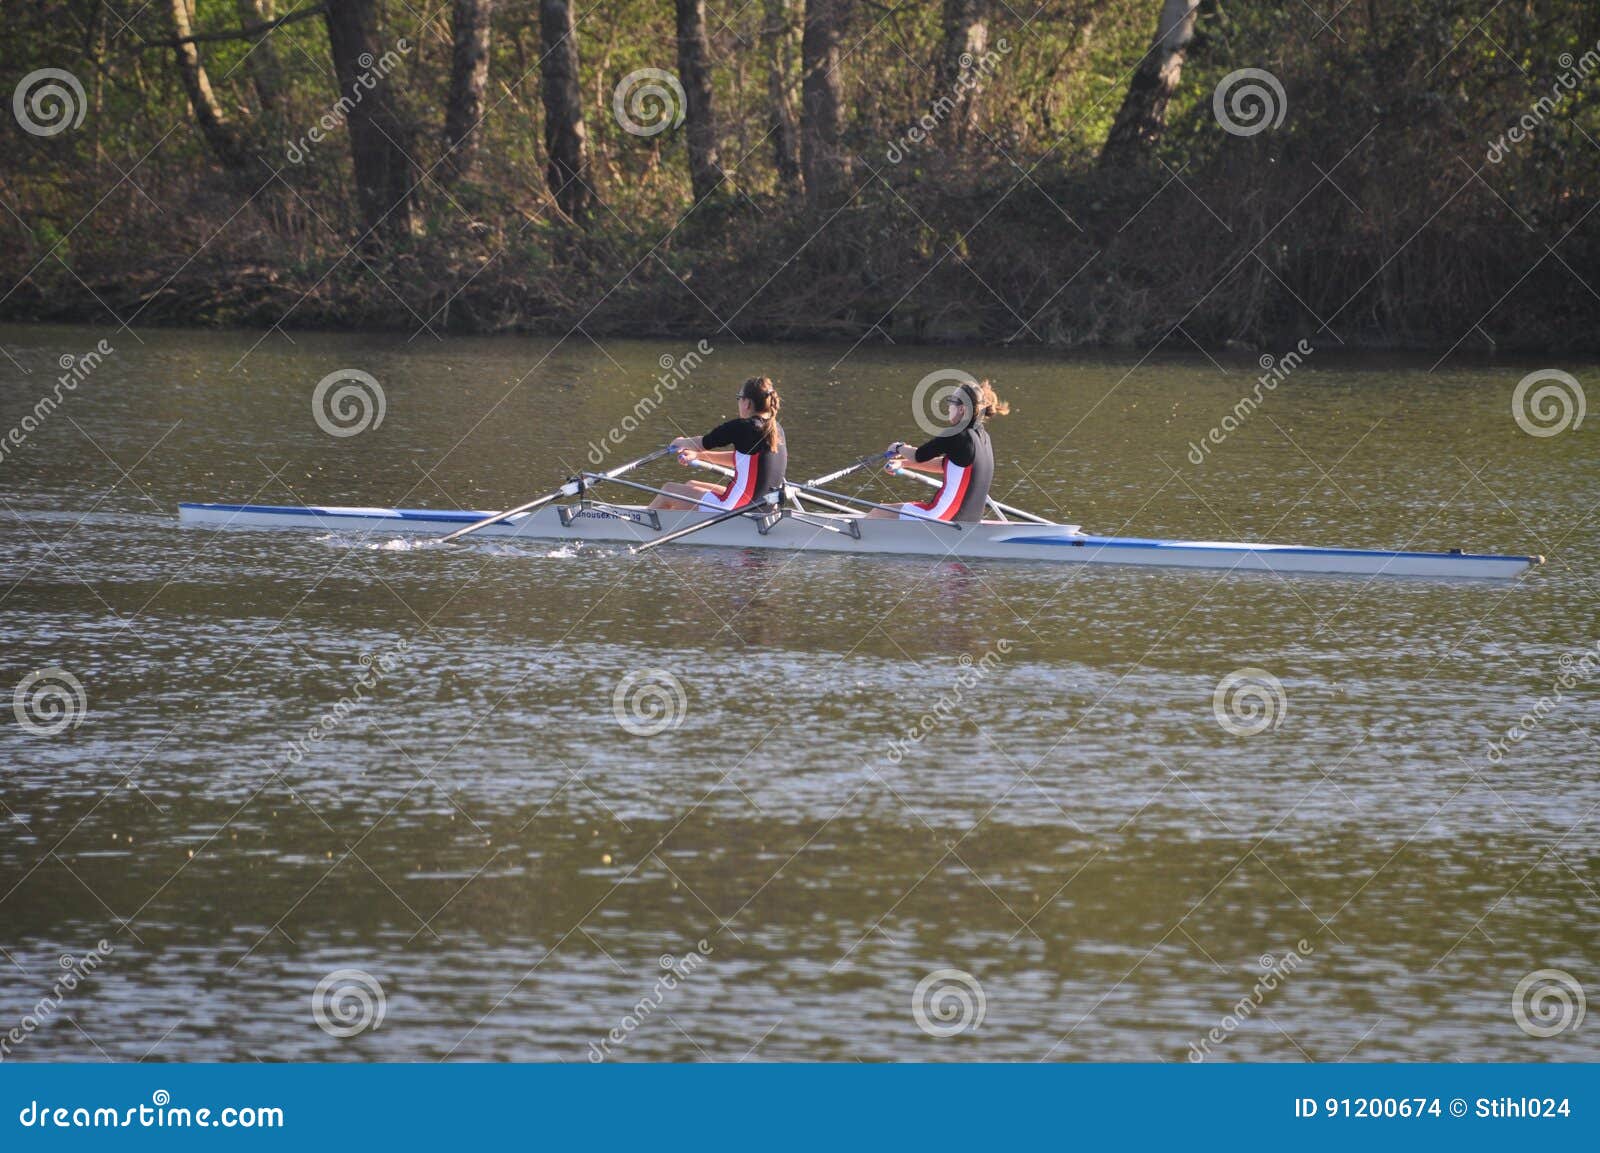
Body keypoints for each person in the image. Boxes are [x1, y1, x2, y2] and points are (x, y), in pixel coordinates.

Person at [871, 379, 1008, 523]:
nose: (948, 406)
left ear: (962, 409)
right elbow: (946, 465)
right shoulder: (984, 437)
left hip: (941, 516)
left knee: (878, 511)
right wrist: (903, 463)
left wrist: (898, 447)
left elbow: (919, 456)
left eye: (951, 401)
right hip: (970, 520)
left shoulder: (956, 433)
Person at [649, 377, 787, 511]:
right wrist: (699, 455)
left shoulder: (743, 426)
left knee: (668, 491)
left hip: (736, 510)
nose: (738, 402)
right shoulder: (776, 429)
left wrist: (681, 442)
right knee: (691, 485)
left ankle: (642, 528)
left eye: (739, 397)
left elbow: (702, 442)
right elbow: (743, 460)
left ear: (747, 403)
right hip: (765, 506)